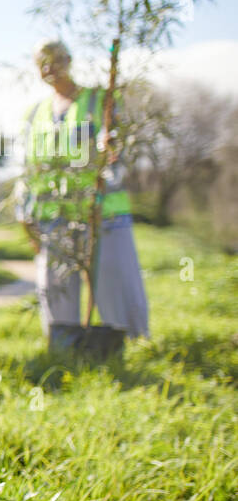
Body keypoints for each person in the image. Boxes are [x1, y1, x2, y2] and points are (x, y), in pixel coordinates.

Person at [20, 39, 149, 345]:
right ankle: (65, 352)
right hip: (54, 221)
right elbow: (28, 169)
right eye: (43, 63)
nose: (51, 68)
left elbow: (124, 149)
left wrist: (113, 148)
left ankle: (130, 346)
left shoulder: (100, 100)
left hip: (104, 215)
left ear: (70, 60)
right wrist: (26, 215)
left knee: (115, 285)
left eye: (57, 60)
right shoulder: (35, 112)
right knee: (55, 288)